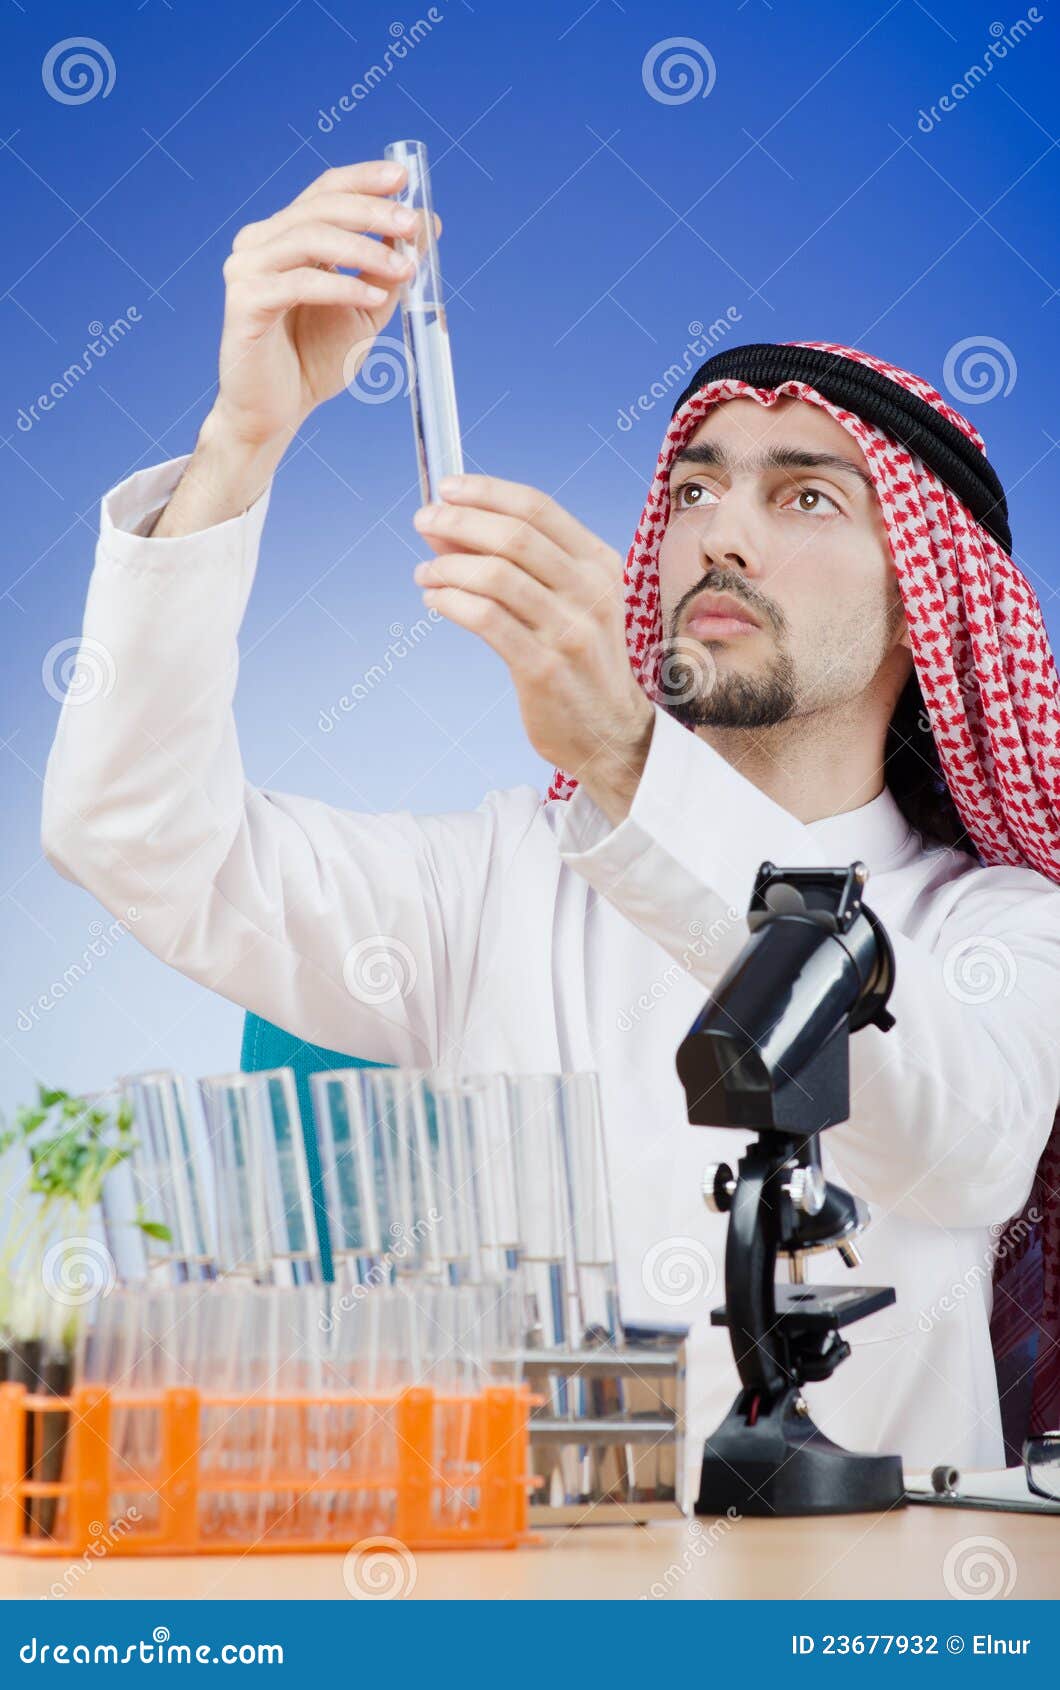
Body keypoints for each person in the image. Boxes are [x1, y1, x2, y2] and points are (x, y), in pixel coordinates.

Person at [41, 156, 1060, 1497]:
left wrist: (633, 758)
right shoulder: (500, 882)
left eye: (804, 497)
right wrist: (244, 440)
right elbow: (135, 831)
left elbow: (961, 1141)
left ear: (934, 612)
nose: (721, 538)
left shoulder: (998, 927)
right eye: (694, 490)